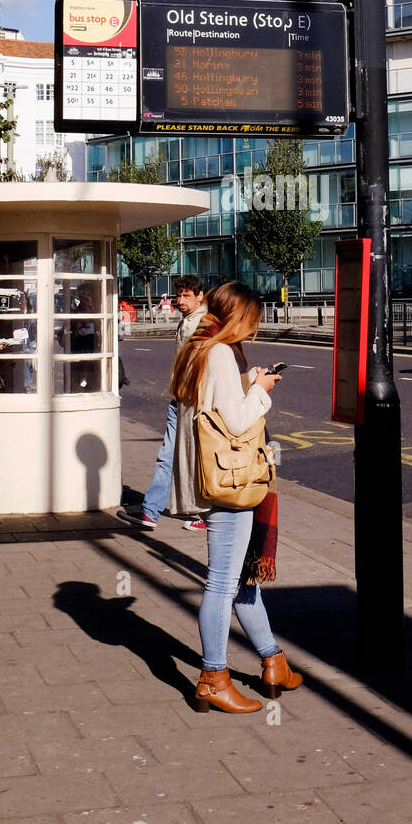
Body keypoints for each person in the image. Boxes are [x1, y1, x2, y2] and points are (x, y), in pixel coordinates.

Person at [171, 281, 303, 714]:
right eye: (251, 320)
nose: (255, 329)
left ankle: (272, 661)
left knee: (243, 579)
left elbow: (209, 401)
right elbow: (236, 417)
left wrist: (249, 379)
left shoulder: (199, 345)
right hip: (231, 482)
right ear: (236, 317)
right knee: (223, 584)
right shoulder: (222, 352)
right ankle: (212, 677)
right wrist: (261, 391)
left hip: (211, 475)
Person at [117, 275, 208, 531]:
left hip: (192, 401)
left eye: (187, 295)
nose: (180, 301)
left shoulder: (200, 324)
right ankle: (151, 511)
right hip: (180, 399)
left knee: (190, 456)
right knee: (168, 456)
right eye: (178, 295)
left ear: (200, 296)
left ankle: (200, 512)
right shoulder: (188, 321)